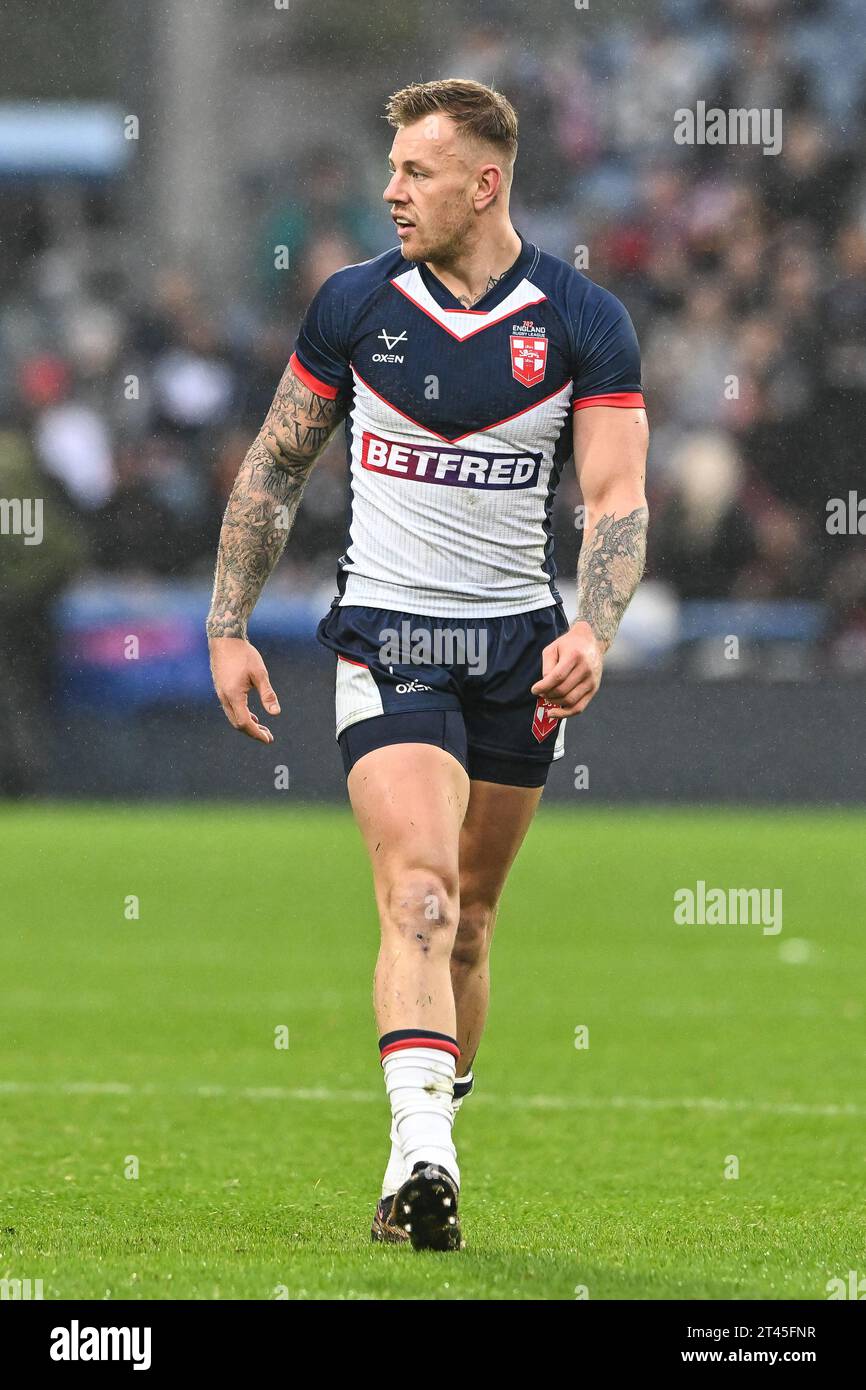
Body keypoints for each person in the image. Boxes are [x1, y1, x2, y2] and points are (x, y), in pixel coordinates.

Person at [207, 79, 648, 1251]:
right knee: (418, 891)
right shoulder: (353, 305)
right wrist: (225, 623)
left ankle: (416, 1156)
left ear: (483, 183)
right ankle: (426, 1151)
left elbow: (615, 498)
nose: (389, 190)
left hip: (519, 652)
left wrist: (590, 632)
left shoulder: (581, 318)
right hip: (391, 640)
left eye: (414, 172)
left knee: (471, 923)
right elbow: (271, 468)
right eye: (390, 168)